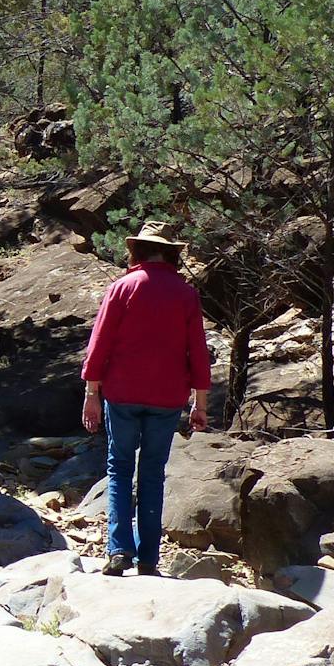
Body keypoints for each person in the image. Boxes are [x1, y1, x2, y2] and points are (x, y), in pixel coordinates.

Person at [80, 223, 211, 576]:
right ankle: (149, 558)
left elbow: (99, 345)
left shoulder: (122, 287)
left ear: (137, 251)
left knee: (119, 469)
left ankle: (119, 551)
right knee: (152, 473)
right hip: (167, 398)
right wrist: (200, 402)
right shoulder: (185, 293)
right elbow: (198, 351)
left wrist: (91, 394)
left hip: (122, 394)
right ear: (170, 253)